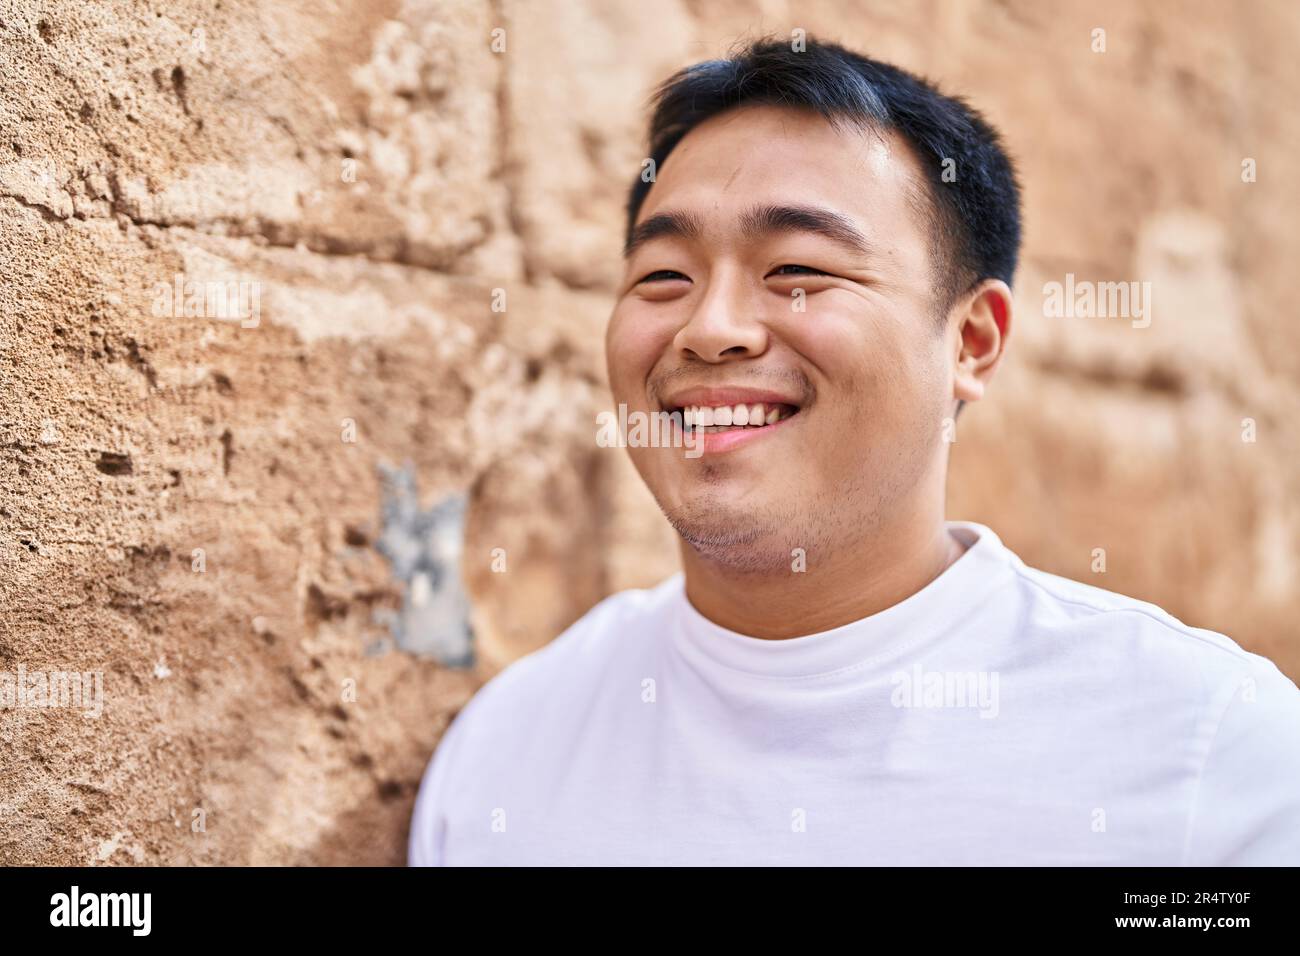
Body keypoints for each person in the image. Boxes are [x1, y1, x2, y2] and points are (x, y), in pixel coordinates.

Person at [409, 36, 1300, 865]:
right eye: (664, 278)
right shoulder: (507, 756)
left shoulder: (1206, 757)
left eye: (799, 271)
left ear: (972, 341)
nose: (709, 328)